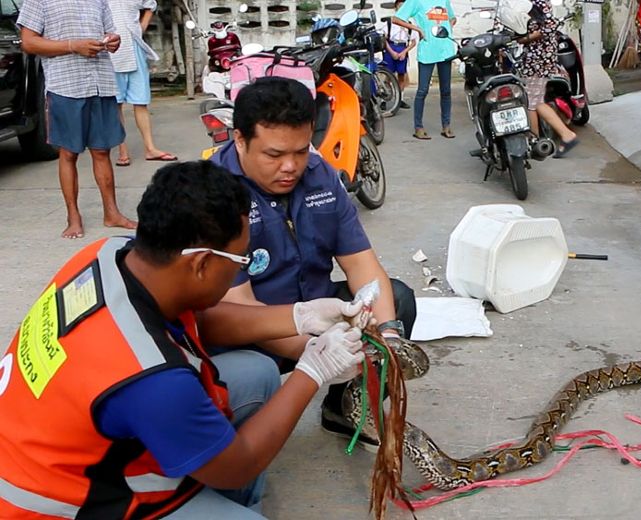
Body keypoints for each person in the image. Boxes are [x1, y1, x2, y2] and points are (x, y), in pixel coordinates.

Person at [0, 161, 365, 517]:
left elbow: (200, 319)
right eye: (241, 260)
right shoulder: (150, 379)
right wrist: (313, 372)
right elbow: (237, 467)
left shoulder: (109, 255)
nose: (241, 269)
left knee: (256, 372)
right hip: (62, 504)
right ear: (201, 264)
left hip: (46, 437)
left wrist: (300, 315)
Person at [210, 77, 421, 451]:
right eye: (274, 155)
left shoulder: (321, 176)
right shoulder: (213, 194)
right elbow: (239, 309)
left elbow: (362, 265)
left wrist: (388, 338)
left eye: (301, 150)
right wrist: (317, 356)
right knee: (250, 372)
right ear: (239, 140)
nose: (290, 166)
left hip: (321, 312)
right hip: (251, 331)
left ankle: (344, 409)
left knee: (397, 299)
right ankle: (238, 443)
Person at [17, 0, 137, 239]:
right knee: (68, 153)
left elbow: (110, 33)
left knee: (102, 150)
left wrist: (113, 41)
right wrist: (73, 46)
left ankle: (112, 213)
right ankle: (73, 217)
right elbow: (28, 42)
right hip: (65, 85)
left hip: (101, 82)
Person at [110, 0, 178, 166]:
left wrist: (141, 28)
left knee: (141, 101)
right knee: (115, 103)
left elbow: (150, 5)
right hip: (111, 49)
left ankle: (150, 148)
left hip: (134, 46)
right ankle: (122, 149)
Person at [514, 0, 579, 158]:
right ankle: (557, 137)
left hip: (539, 57)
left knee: (532, 102)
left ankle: (537, 141)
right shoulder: (527, 3)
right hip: (535, 56)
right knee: (534, 101)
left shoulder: (540, 2)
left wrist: (525, 38)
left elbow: (549, 27)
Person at [392, 0, 457, 140]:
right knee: (422, 90)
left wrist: (448, 29)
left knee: (446, 91)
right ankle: (418, 127)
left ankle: (446, 126)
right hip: (427, 49)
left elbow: (452, 18)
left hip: (446, 49)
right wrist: (418, 29)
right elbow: (396, 19)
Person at [380, 0, 418, 109]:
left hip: (402, 48)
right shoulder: (390, 23)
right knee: (388, 75)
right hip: (390, 48)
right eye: (400, 7)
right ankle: (384, 100)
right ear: (396, 8)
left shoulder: (409, 24)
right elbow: (384, 39)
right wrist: (392, 52)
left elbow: (413, 42)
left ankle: (400, 99)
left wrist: (404, 52)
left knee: (402, 75)